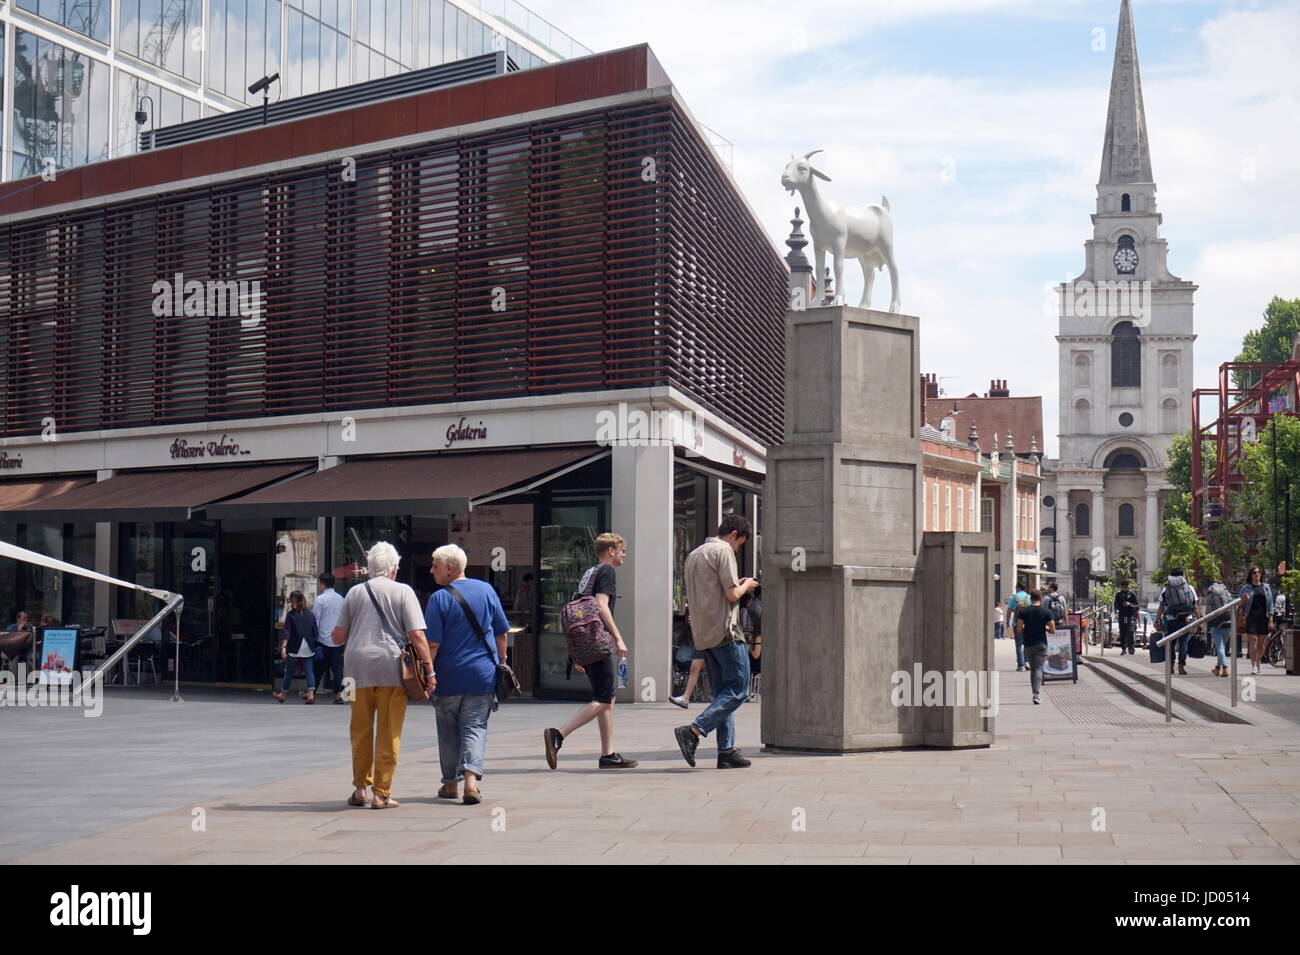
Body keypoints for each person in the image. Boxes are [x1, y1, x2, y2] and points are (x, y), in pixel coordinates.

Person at [330, 542, 433, 810]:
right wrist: (430, 670)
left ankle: (359, 788)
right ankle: (381, 793)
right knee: (389, 731)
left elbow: (337, 637)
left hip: (354, 670)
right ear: (394, 568)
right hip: (391, 668)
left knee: (359, 728)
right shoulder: (403, 592)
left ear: (370, 567)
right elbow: (416, 635)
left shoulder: (354, 592)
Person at [423, 544, 511, 805]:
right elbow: (501, 632)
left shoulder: (439, 599)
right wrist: (502, 661)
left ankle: (451, 784)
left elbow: (433, 644)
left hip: (448, 676)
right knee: (475, 727)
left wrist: (428, 673)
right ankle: (471, 782)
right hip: (482, 675)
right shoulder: (486, 590)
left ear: (450, 568)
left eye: (435, 566)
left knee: (448, 731)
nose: (431, 571)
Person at [543, 533, 638, 770]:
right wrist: (618, 638)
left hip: (586, 641)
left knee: (606, 696)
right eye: (622, 550)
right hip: (598, 640)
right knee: (603, 698)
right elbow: (601, 606)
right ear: (611, 551)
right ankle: (558, 734)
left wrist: (578, 652)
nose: (624, 554)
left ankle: (608, 754)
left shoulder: (590, 572)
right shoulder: (607, 571)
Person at [674, 514, 758, 769]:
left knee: (723, 693)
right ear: (733, 535)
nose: (737, 549)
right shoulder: (723, 551)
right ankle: (694, 730)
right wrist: (747, 585)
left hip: (704, 634)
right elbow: (732, 594)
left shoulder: (694, 554)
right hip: (725, 631)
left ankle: (726, 751)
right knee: (739, 690)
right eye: (739, 543)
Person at [274, 591, 319, 703]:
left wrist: (283, 647)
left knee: (289, 671)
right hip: (308, 646)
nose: (292, 603)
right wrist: (313, 643)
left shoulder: (291, 615)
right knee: (309, 671)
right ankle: (311, 694)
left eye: (292, 601)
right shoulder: (310, 614)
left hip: (295, 646)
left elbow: (287, 631)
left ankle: (283, 694)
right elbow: (315, 631)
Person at [1015, 590, 1055, 705]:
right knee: (1038, 669)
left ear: (1030, 599)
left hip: (1028, 644)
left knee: (1033, 669)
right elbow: (1053, 630)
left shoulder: (1024, 611)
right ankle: (1036, 694)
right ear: (1041, 598)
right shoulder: (1046, 612)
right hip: (1041, 644)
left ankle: (1034, 693)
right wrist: (1044, 627)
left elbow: (1018, 629)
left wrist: (1027, 627)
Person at [1156, 568, 1198, 676]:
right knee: (1183, 643)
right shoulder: (1189, 587)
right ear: (1182, 575)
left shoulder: (1166, 588)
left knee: (1170, 643)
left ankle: (1171, 666)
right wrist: (1199, 620)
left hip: (1170, 619)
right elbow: (1195, 606)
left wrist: (1157, 620)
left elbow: (1161, 607)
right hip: (1185, 619)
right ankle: (1181, 666)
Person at [313, 573, 346, 703]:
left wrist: (313, 637)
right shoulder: (341, 599)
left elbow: (315, 620)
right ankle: (339, 693)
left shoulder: (320, 599)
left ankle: (311, 692)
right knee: (337, 668)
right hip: (338, 639)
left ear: (322, 584)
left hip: (323, 639)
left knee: (319, 668)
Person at [1238, 565, 1275, 676]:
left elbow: (1270, 605)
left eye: (1258, 572)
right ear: (1251, 575)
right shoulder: (1246, 588)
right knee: (1253, 641)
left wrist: (1271, 620)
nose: (1257, 574)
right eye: (1254, 572)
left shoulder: (1266, 587)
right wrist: (1244, 601)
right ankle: (1254, 665)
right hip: (1250, 617)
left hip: (1263, 617)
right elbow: (1239, 605)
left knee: (1261, 645)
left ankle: (1258, 661)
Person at [1202, 574, 1233, 677]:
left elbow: (1208, 609)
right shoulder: (1224, 588)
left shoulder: (1210, 591)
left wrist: (1206, 621)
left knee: (1220, 647)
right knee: (1222, 647)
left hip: (1216, 622)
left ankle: (1225, 668)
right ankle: (1217, 668)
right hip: (1227, 619)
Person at [1006, 584, 1030, 671]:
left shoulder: (1013, 597)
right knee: (1027, 644)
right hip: (1028, 624)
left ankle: (1021, 665)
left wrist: (1007, 622)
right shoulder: (1029, 597)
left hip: (1016, 624)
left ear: (1018, 588)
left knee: (1018, 645)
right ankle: (1026, 662)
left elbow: (1009, 611)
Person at [1114, 579, 1139, 655]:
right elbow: (1116, 605)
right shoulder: (1118, 594)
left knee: (1130, 631)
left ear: (1128, 586)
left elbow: (1136, 605)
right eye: (1123, 587)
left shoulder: (1132, 594)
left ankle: (1131, 648)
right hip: (1122, 615)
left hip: (1130, 615)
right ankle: (1123, 648)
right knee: (1122, 632)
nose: (1124, 588)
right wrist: (1116, 612)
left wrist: (1129, 604)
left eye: (1125, 587)